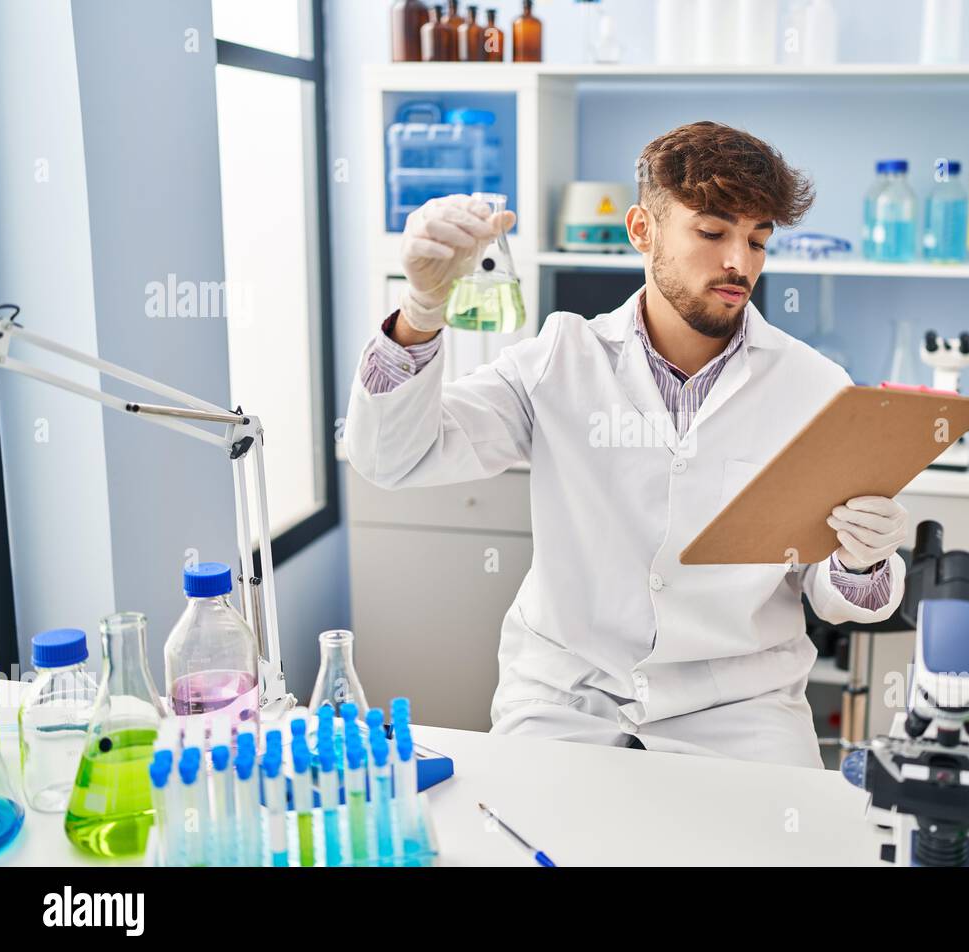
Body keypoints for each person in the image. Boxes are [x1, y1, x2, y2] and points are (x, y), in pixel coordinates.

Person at [344, 121, 908, 768]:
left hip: (740, 706)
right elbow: (393, 457)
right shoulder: (561, 358)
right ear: (642, 230)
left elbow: (834, 597)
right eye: (712, 232)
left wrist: (862, 562)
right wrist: (420, 311)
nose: (739, 263)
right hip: (567, 696)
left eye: (757, 240)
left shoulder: (814, 386)